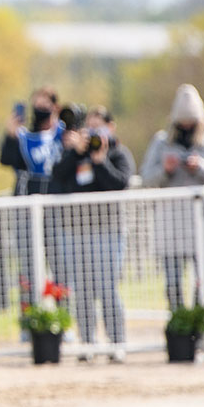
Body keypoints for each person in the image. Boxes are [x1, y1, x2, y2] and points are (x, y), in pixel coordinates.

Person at [52, 106, 134, 361]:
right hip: (75, 231)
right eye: (90, 128)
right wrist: (75, 153)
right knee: (83, 290)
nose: (94, 134)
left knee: (107, 288)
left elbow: (119, 183)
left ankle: (116, 342)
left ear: (111, 127)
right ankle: (87, 343)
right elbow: (57, 177)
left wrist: (100, 162)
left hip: (107, 231)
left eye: (100, 127)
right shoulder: (75, 154)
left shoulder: (118, 153)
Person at [140, 84, 204, 310]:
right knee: (173, 284)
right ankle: (179, 328)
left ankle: (202, 325)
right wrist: (165, 170)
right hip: (170, 226)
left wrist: (202, 168)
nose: (186, 128)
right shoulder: (161, 142)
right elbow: (145, 179)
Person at [0, 86, 66, 307]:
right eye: (36, 104)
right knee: (28, 268)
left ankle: (62, 317)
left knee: (60, 265)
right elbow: (7, 160)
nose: (40, 109)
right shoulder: (23, 137)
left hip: (57, 209)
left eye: (45, 104)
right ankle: (30, 320)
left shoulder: (65, 134)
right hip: (27, 209)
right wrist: (10, 136)